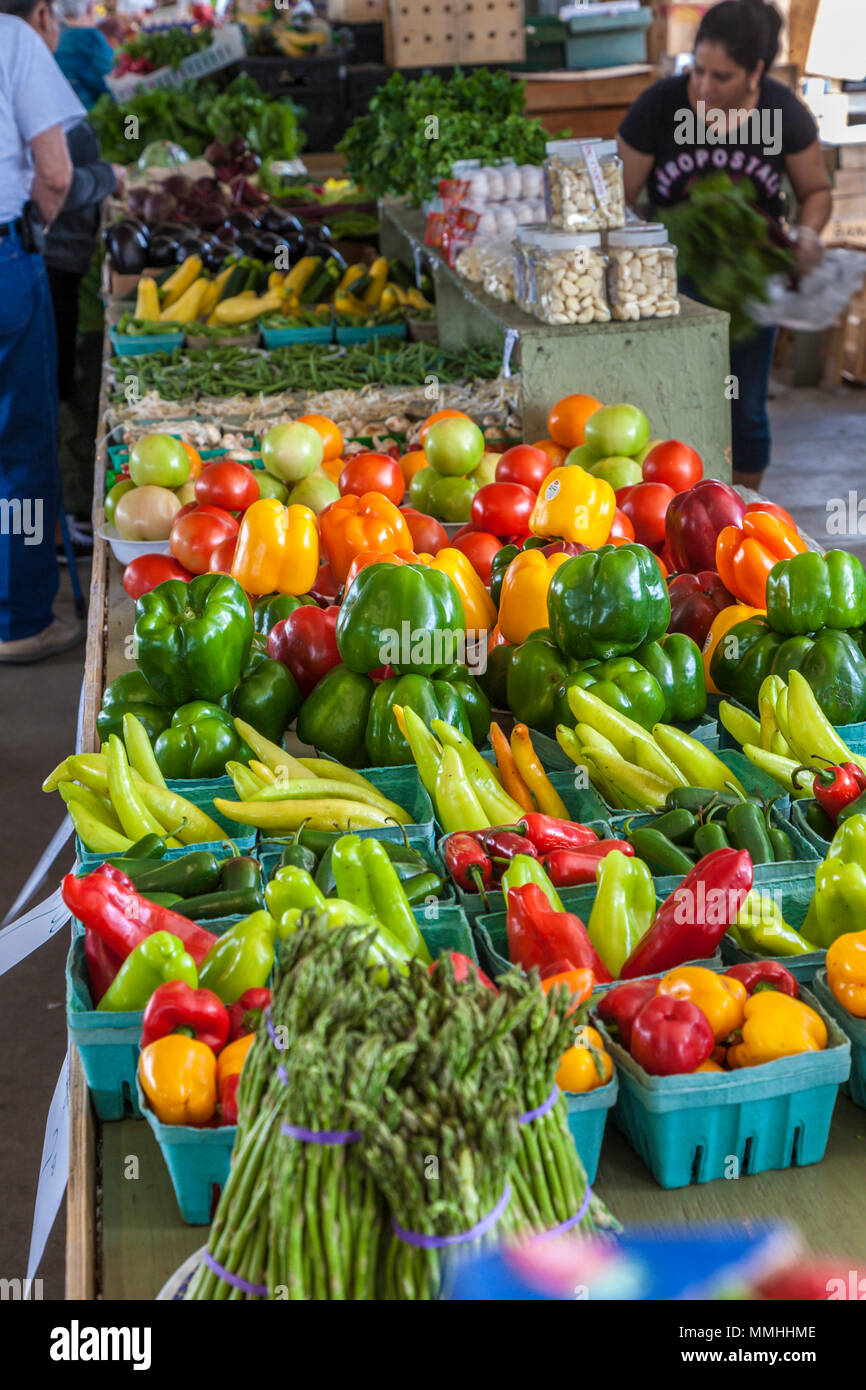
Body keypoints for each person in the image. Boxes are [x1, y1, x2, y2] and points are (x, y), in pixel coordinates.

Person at [617, 0, 832, 490]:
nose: (705, 87)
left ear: (756, 71)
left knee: (745, 409)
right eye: (698, 71)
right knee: (666, 404)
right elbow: (618, 198)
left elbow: (816, 192)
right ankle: (666, 510)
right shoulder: (659, 106)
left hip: (749, 284)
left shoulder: (782, 111)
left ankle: (739, 512)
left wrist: (808, 235)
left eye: (722, 76)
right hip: (669, 286)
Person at [0, 7, 85, 663]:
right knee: (21, 446)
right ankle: (21, 621)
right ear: (41, 12)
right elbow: (55, 172)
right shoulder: (15, 40)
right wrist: (41, 229)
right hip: (5, 262)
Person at [54, 0, 116, 111]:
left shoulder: (58, 39)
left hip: (70, 114)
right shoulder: (90, 37)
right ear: (89, 7)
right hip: (96, 114)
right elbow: (112, 80)